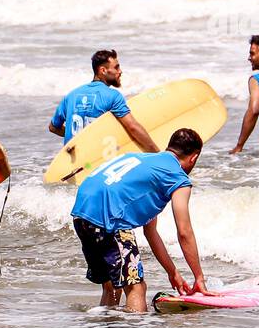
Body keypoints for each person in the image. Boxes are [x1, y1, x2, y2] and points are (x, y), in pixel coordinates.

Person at [70, 128, 213, 313]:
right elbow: (184, 232)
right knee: (136, 287)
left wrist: (173, 273)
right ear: (194, 157)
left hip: (82, 212)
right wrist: (199, 277)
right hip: (109, 219)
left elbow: (150, 232)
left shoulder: (144, 162)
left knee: (112, 286)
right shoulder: (177, 177)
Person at [49, 49, 156, 152]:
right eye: (116, 67)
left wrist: (77, 138)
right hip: (97, 160)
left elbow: (53, 127)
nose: (120, 71)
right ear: (103, 70)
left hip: (72, 160)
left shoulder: (71, 95)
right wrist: (157, 153)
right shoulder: (113, 96)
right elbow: (132, 128)